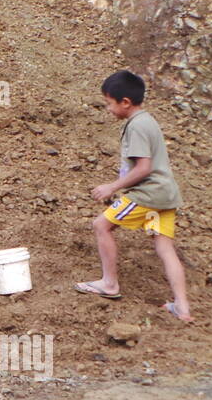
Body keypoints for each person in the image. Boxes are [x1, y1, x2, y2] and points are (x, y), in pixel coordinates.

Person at [75, 70, 192, 322]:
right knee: (164, 247)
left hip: (147, 194)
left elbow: (143, 168)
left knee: (101, 225)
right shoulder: (147, 120)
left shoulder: (136, 126)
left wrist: (112, 187)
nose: (108, 109)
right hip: (166, 194)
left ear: (125, 102)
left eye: (109, 103)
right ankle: (182, 307)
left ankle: (109, 284)